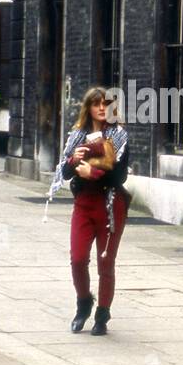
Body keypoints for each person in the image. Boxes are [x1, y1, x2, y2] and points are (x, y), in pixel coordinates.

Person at [47, 87, 131, 336]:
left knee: (106, 262)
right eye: (96, 104)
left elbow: (120, 174)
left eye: (106, 104)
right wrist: (74, 161)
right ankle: (83, 302)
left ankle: (102, 314)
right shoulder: (77, 135)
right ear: (89, 108)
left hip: (110, 204)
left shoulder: (119, 136)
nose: (102, 108)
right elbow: (64, 171)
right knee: (78, 259)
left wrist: (92, 172)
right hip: (84, 204)